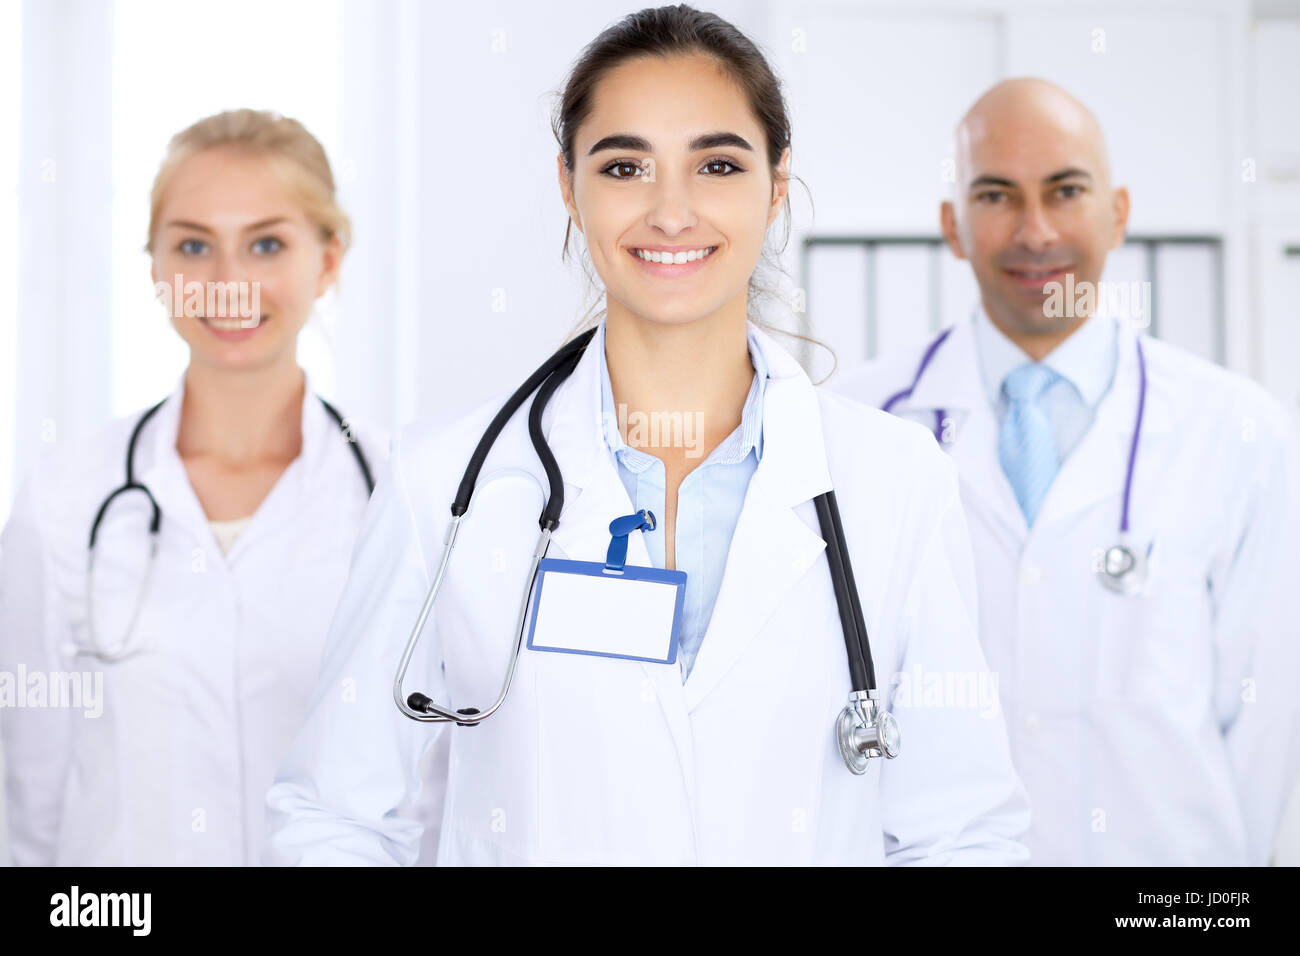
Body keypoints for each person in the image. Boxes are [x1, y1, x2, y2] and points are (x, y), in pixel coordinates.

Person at [266, 5, 1029, 866]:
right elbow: (336, 817)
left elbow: (961, 834)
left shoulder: (893, 483)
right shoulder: (443, 483)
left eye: (717, 164)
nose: (671, 212)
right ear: (569, 184)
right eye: (625, 165)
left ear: (777, 183)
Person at [837, 78, 1300, 865]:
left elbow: (1276, 743)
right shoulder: (855, 426)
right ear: (952, 225)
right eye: (995, 195)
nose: (1036, 230)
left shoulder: (1239, 432)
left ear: (1117, 211)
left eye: (1066, 190)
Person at [0, 109, 443, 865]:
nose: (229, 284)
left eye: (267, 244)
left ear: (328, 260)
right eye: (194, 245)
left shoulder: (410, 496)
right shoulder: (65, 498)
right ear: (155, 268)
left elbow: (433, 789)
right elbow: (28, 804)